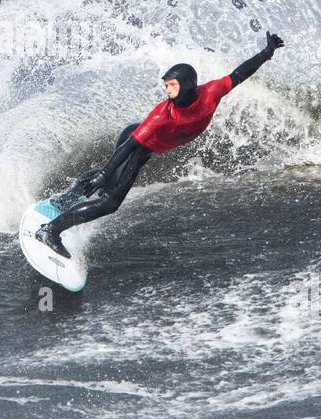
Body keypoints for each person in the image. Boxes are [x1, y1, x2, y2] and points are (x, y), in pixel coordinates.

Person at [36, 32, 285, 257]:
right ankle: (51, 231)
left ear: (188, 85)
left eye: (172, 86)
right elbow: (128, 147)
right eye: (166, 86)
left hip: (146, 147)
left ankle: (64, 200)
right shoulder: (161, 115)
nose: (167, 91)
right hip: (137, 144)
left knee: (109, 182)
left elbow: (240, 73)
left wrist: (267, 53)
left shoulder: (212, 92)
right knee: (110, 200)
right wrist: (103, 174)